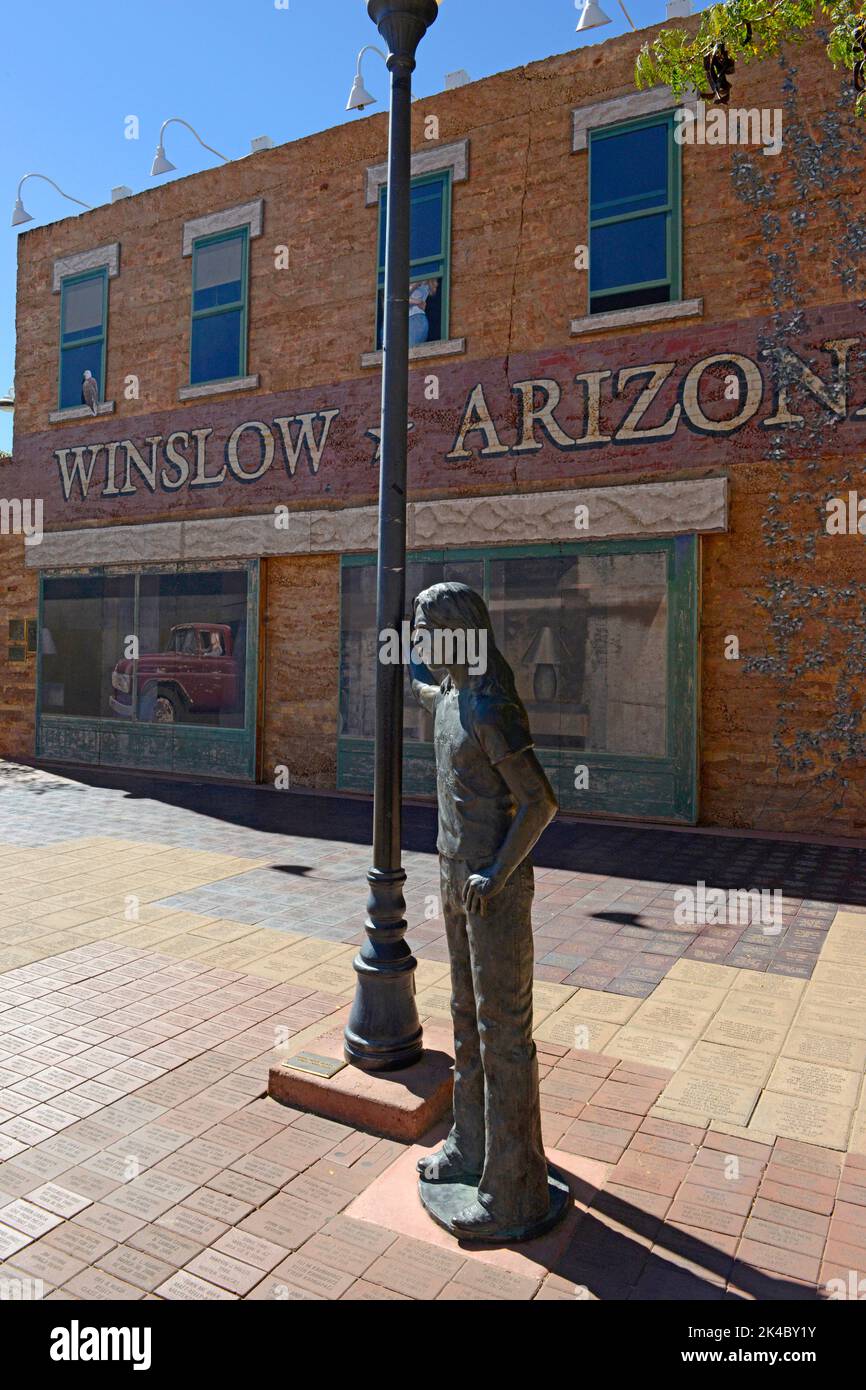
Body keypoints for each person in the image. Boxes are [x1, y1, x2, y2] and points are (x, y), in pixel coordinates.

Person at [409, 582, 558, 1239]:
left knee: (504, 1033)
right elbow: (417, 681)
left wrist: (496, 874)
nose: (420, 645)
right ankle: (470, 1148)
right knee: (466, 1020)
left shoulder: (489, 706)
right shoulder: (445, 698)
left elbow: (540, 802)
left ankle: (513, 1188)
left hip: (491, 891)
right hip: (450, 880)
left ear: (459, 634)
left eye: (427, 632)